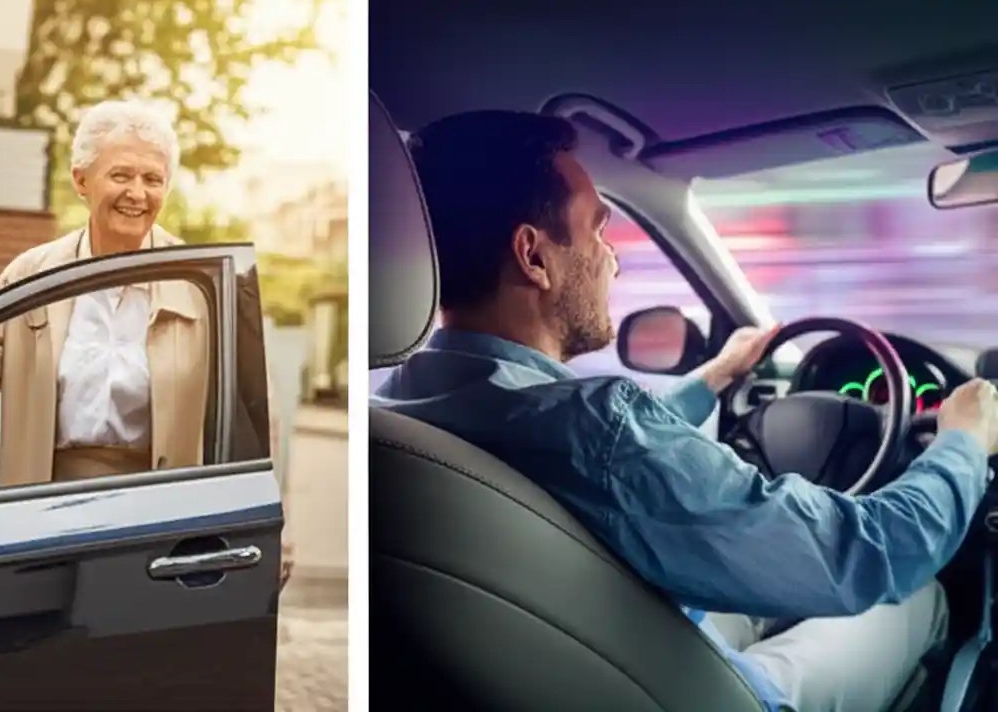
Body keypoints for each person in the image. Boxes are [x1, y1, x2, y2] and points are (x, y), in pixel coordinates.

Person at [372, 110, 998, 712]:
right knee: (916, 594)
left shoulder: (401, 409)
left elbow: (595, 463)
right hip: (713, 693)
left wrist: (711, 379)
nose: (611, 258)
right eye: (597, 229)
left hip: (615, 656)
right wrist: (963, 442)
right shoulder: (594, 426)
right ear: (534, 256)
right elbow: (867, 554)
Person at [0, 99, 211, 486]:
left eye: (152, 180)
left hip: (160, 501)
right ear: (81, 180)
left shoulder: (198, 284)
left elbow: (248, 405)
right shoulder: (33, 273)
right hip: (45, 492)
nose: (137, 193)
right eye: (121, 176)